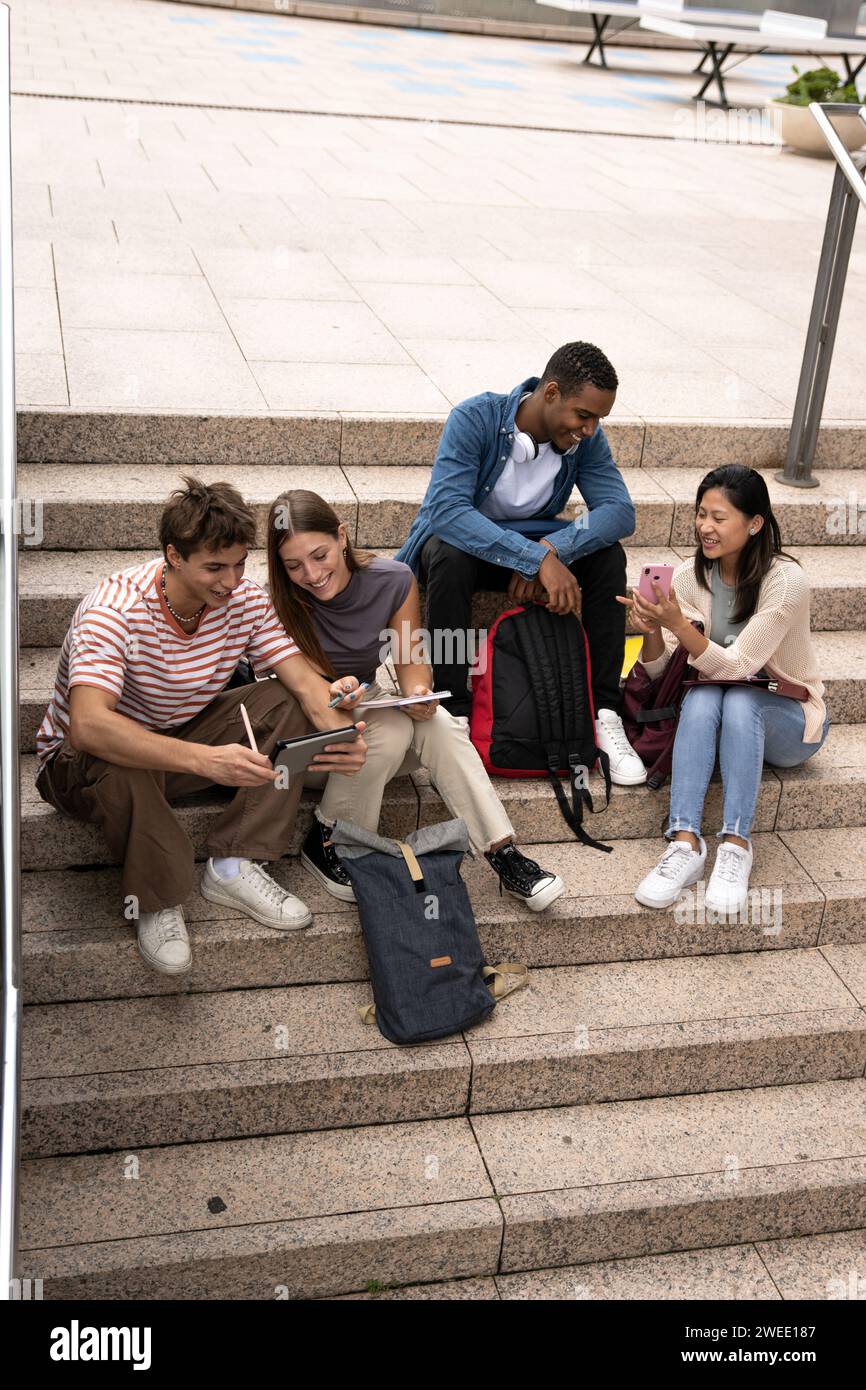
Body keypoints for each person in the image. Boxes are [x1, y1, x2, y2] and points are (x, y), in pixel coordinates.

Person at [35, 478, 367, 976]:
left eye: (239, 564)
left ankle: (234, 862)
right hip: (81, 766)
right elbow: (87, 727)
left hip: (179, 736)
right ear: (173, 555)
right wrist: (206, 760)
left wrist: (345, 737)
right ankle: (157, 900)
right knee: (116, 758)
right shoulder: (115, 611)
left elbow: (303, 683)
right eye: (214, 567)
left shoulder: (244, 601)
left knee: (283, 698)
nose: (230, 582)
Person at [265, 489, 566, 913]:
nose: (311, 574)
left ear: (342, 536)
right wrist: (343, 696)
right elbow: (298, 689)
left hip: (364, 717)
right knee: (386, 728)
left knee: (435, 720)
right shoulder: (274, 601)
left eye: (319, 555)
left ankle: (503, 852)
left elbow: (411, 660)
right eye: (293, 565)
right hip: (308, 739)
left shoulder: (393, 579)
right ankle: (328, 838)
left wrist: (419, 693)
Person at [395, 340, 645, 785]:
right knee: (447, 556)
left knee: (608, 557)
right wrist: (532, 559)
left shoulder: (586, 440)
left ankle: (604, 712)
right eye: (583, 416)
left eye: (598, 420)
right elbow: (448, 513)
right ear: (550, 393)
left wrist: (551, 552)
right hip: (466, 546)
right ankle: (453, 711)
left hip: (539, 546)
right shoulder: (475, 418)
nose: (589, 429)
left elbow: (619, 511)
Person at [618, 465, 829, 916]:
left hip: (790, 721)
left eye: (719, 517)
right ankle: (685, 842)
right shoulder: (687, 576)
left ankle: (736, 843)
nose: (704, 527)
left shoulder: (785, 583)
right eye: (700, 515)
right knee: (705, 693)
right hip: (717, 709)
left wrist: (677, 623)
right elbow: (662, 673)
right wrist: (653, 631)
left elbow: (739, 666)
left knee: (740, 697)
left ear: (754, 524)